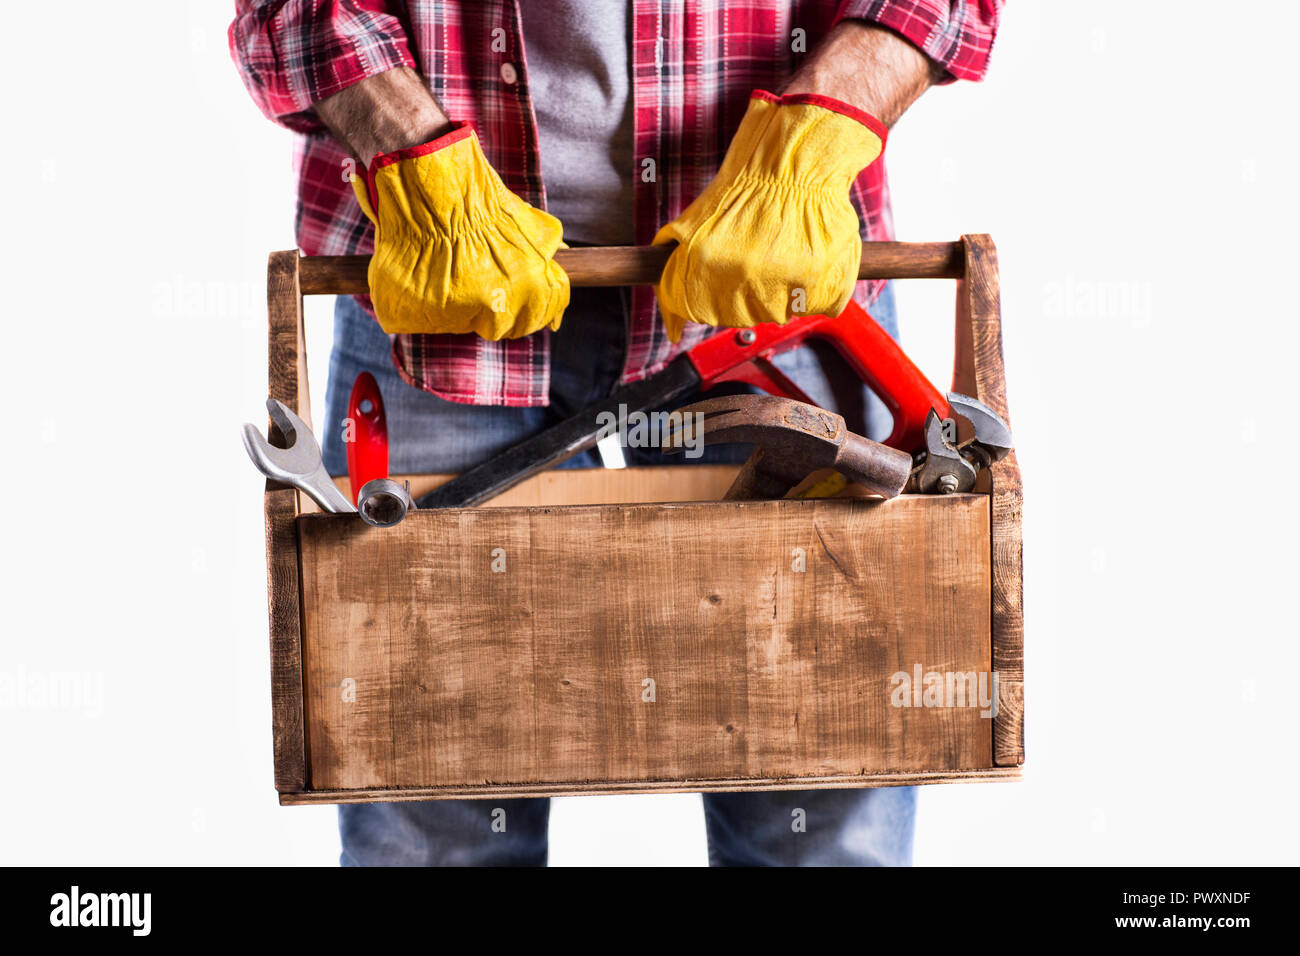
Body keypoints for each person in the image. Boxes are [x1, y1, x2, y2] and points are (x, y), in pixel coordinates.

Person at [230, 0, 1001, 866]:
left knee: (825, 779)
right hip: (441, 283)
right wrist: (407, 147)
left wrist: (818, 136)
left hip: (771, 275)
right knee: (430, 792)